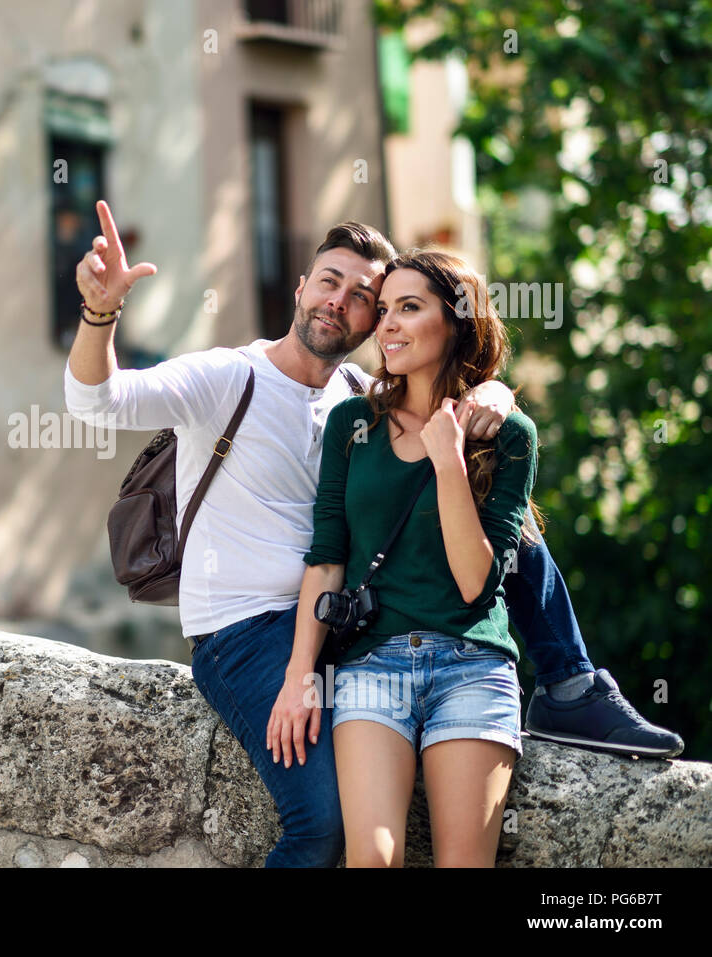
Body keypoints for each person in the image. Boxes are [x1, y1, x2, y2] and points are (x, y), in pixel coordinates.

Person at [63, 201, 682, 867]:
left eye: (366, 296)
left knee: (501, 505)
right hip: (250, 631)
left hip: (349, 621)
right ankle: (565, 680)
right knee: (321, 824)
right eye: (329, 281)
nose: (342, 302)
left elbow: (451, 383)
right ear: (301, 288)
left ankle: (568, 683)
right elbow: (95, 402)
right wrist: (101, 313)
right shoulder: (227, 377)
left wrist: (493, 401)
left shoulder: (360, 395)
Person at [273, 251, 532, 866]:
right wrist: (300, 673)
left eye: (408, 309)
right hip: (371, 668)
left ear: (458, 321)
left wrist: (448, 458)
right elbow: (327, 557)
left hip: (473, 668)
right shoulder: (352, 424)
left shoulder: (509, 436)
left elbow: (476, 583)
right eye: (384, 309)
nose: (385, 325)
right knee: (374, 860)